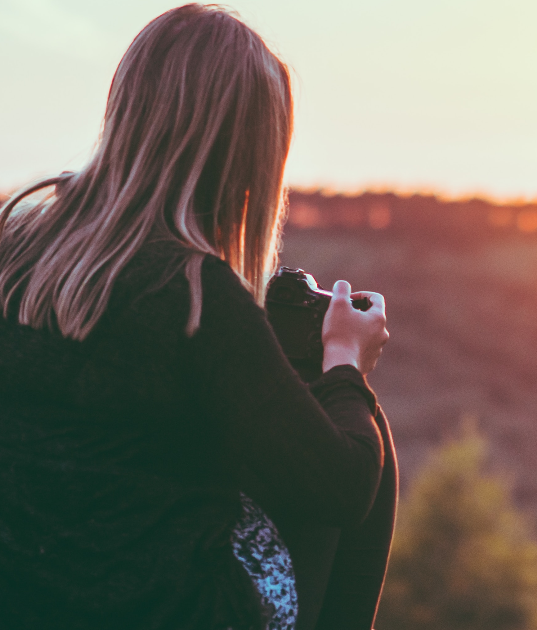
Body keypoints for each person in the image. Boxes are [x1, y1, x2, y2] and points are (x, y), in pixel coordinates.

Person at [0, 4, 394, 629]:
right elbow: (341, 489)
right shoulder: (194, 294)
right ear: (247, 158)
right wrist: (346, 360)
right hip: (161, 611)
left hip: (22, 597)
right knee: (367, 440)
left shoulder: (15, 246)